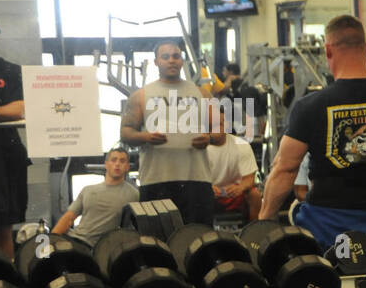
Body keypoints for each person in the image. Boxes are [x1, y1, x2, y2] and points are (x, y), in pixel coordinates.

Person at [259, 15, 366, 250]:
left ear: (328, 50)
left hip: (325, 228)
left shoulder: (310, 107)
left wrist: (264, 223)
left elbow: (284, 169)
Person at [119, 39, 224, 226]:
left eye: (176, 56)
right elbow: (125, 133)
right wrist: (145, 137)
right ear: (156, 62)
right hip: (156, 182)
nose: (171, 61)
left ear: (182, 60)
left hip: (196, 182)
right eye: (165, 57)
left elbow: (221, 133)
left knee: (198, 241)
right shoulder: (141, 96)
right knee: (157, 244)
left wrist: (208, 138)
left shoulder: (203, 94)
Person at [52, 147, 138, 247]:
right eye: (114, 160)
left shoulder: (133, 195)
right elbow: (68, 218)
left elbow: (131, 229)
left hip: (101, 248)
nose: (117, 164)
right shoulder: (88, 190)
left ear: (127, 167)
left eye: (122, 161)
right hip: (74, 240)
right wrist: (51, 240)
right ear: (106, 164)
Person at [0, 42, 28, 258]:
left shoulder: (8, 70)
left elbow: (21, 107)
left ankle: (6, 285)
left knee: (2, 228)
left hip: (3, 158)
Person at [207, 134, 261, 222]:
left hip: (236, 195)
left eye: (219, 124)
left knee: (254, 195)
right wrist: (207, 188)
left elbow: (250, 179)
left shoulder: (241, 144)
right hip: (211, 196)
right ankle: (202, 231)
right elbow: (194, 179)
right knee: (197, 195)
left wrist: (240, 187)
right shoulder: (198, 147)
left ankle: (253, 230)